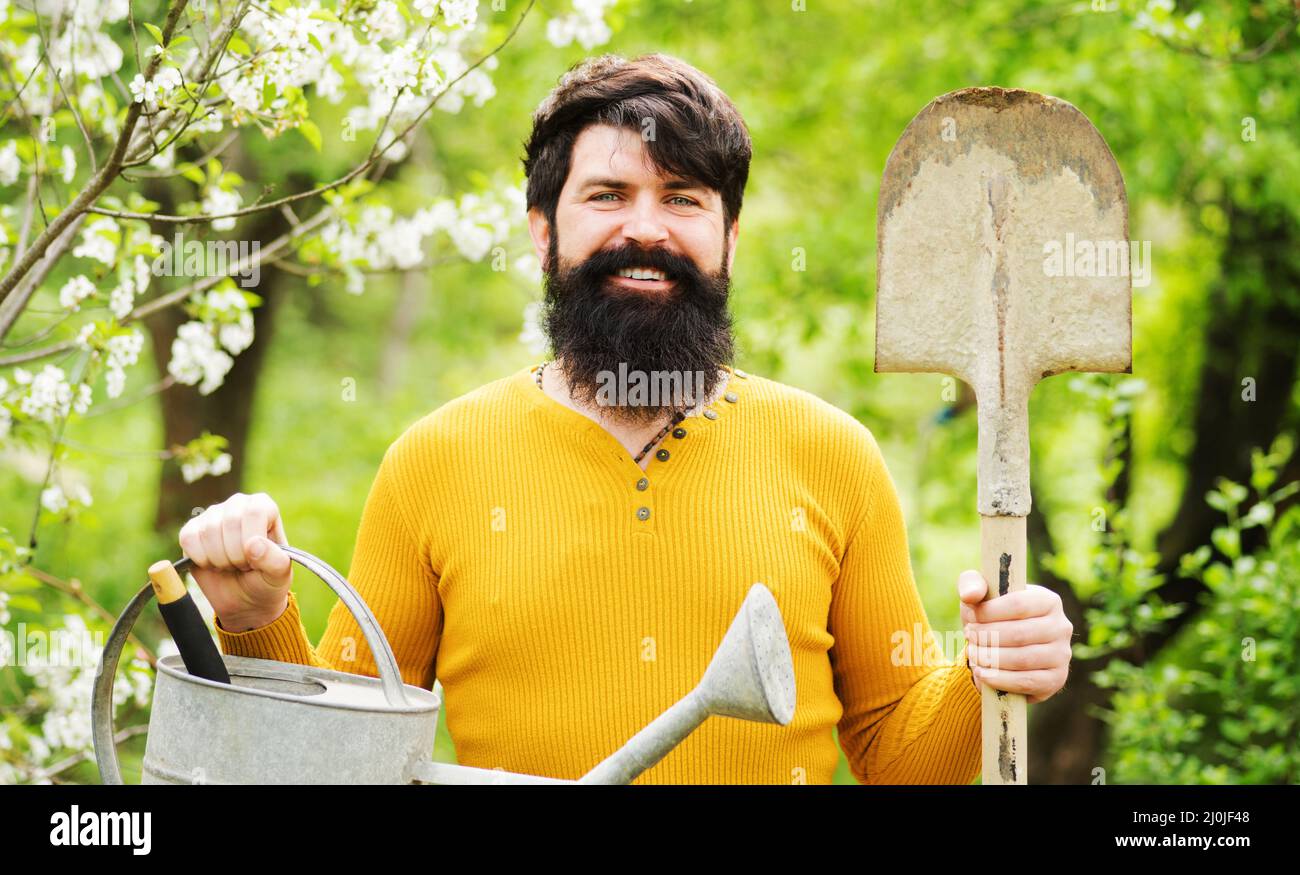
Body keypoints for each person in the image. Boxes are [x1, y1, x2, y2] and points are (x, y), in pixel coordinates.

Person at [180, 53, 1072, 784]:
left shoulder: (832, 455)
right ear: (542, 230)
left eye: (683, 198)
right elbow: (336, 770)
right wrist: (258, 618)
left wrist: (985, 677)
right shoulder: (434, 463)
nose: (646, 229)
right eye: (608, 195)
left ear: (730, 238)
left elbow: (899, 760)